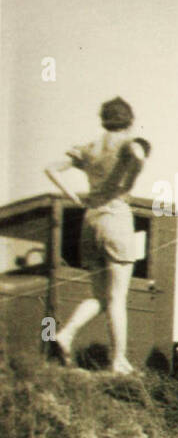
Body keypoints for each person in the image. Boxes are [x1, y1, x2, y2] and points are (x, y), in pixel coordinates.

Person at [44, 97, 151, 374]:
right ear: (128, 120)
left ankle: (65, 335)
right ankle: (119, 361)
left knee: (99, 296)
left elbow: (51, 169)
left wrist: (71, 195)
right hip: (116, 216)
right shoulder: (127, 142)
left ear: (104, 119)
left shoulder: (90, 147)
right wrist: (129, 179)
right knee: (117, 298)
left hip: (90, 220)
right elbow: (138, 155)